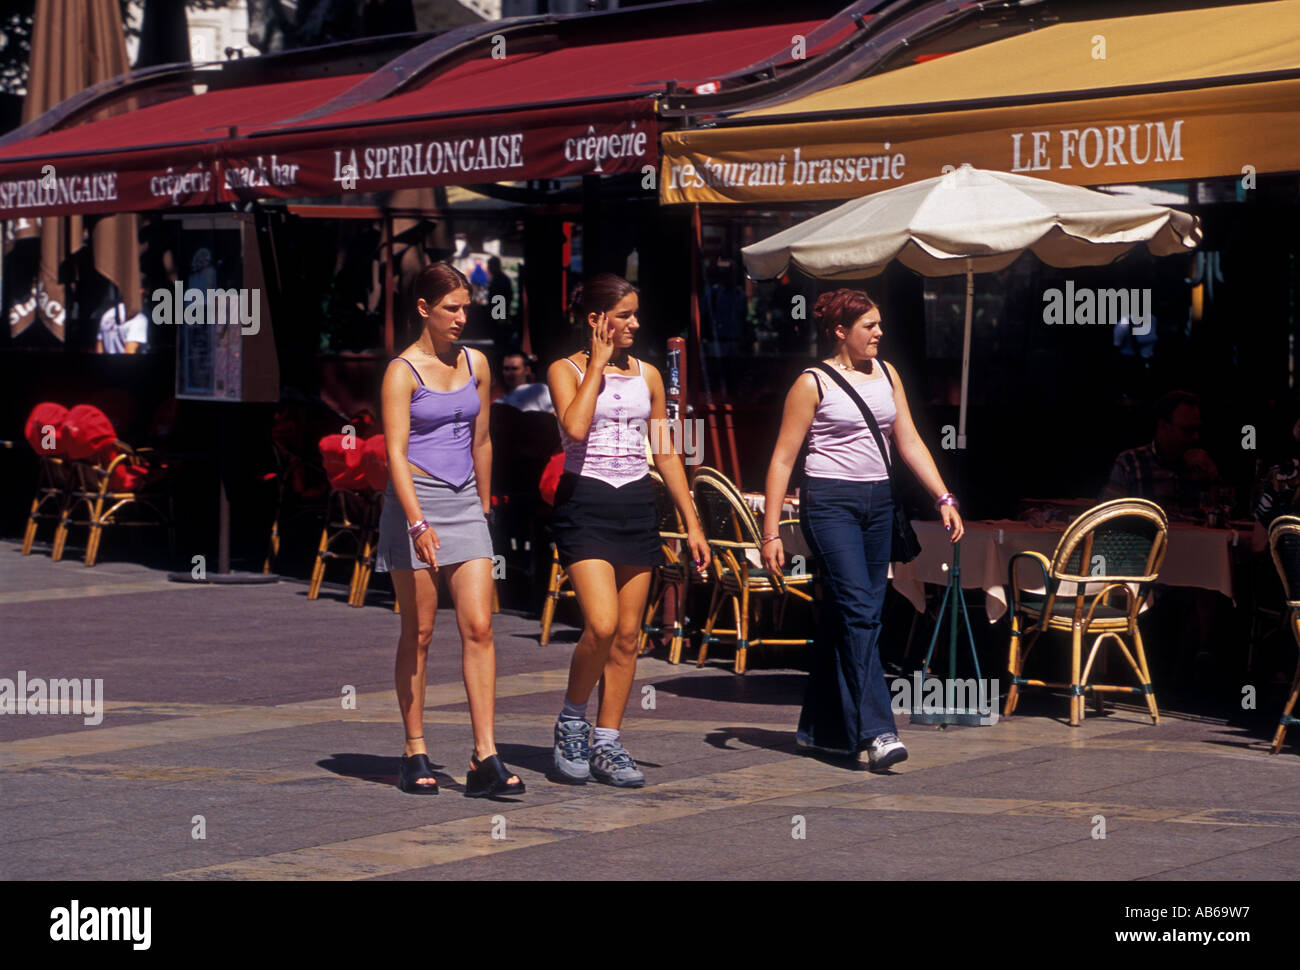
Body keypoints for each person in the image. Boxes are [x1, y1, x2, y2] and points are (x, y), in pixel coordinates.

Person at [760, 288, 963, 771]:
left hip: (879, 503)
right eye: (868, 326)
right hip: (830, 503)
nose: (879, 333)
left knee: (853, 615)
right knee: (859, 613)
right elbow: (783, 458)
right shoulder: (811, 383)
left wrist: (943, 496)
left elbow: (908, 439)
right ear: (839, 332)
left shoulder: (888, 373)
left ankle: (820, 730)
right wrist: (769, 533)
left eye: (879, 324)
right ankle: (878, 730)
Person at [546, 272, 710, 787]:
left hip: (637, 502)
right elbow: (573, 428)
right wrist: (595, 366)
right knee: (599, 622)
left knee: (626, 634)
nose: (635, 323)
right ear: (596, 320)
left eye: (636, 314)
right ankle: (572, 720)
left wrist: (692, 522)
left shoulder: (650, 375)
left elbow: (665, 451)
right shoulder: (564, 370)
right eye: (624, 315)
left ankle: (608, 741)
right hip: (586, 500)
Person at [376, 262, 524, 799]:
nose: (463, 317)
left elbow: (482, 439)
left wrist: (484, 507)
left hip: (464, 504)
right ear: (424, 309)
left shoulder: (475, 362)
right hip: (415, 504)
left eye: (467, 307)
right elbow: (394, 452)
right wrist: (417, 522)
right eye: (451, 308)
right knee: (418, 633)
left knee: (480, 627)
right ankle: (414, 749)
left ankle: (484, 755)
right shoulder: (402, 371)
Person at [1100, 390, 1218, 517]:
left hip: (1195, 536)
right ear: (1163, 426)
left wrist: (1214, 478)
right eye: (1188, 430)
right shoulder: (1131, 464)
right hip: (1146, 536)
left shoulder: (1200, 467)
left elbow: (1223, 520)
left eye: (1196, 429)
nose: (1196, 437)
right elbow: (1106, 518)